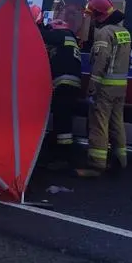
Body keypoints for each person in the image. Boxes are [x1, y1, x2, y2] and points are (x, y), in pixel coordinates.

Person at [41, 18, 100, 177]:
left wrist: (35, 26)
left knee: (62, 124)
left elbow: (43, 36)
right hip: (69, 86)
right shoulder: (69, 40)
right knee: (62, 121)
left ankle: (63, 159)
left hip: (64, 85)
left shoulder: (63, 35)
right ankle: (58, 153)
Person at [83, 0, 131, 172]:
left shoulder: (104, 33)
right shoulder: (124, 31)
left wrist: (92, 87)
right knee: (117, 122)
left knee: (99, 123)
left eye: (92, 15)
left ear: (99, 15)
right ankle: (120, 159)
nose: (91, 19)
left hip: (105, 86)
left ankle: (96, 164)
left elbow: (100, 61)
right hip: (120, 86)